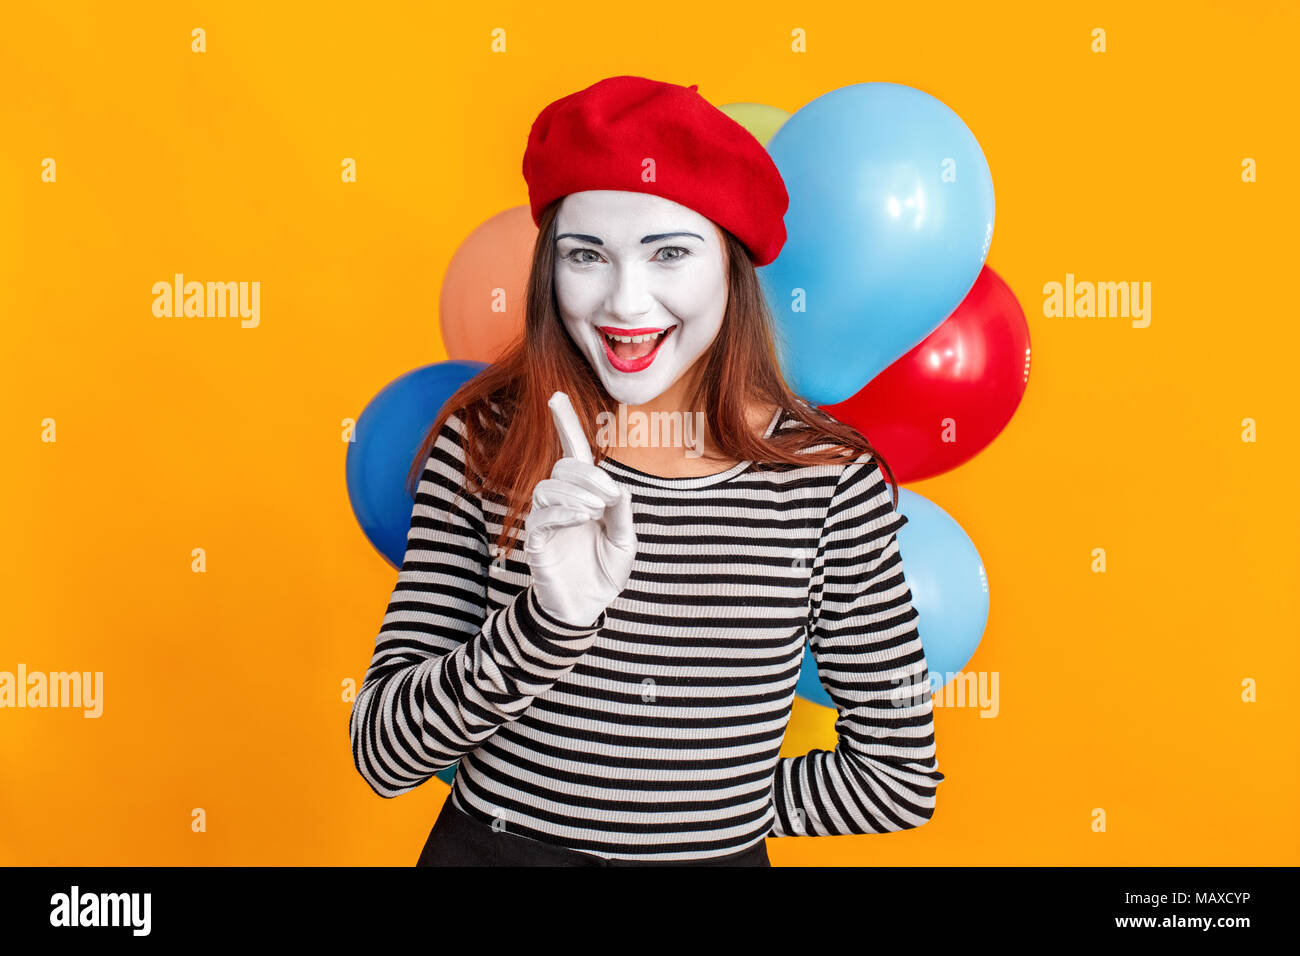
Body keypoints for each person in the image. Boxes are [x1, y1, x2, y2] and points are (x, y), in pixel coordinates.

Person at [349, 75, 946, 866]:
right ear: (548, 272)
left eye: (669, 252)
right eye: (586, 255)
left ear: (731, 270)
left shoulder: (826, 481)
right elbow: (384, 753)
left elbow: (896, 779)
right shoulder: (488, 438)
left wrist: (701, 808)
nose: (625, 302)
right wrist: (546, 624)